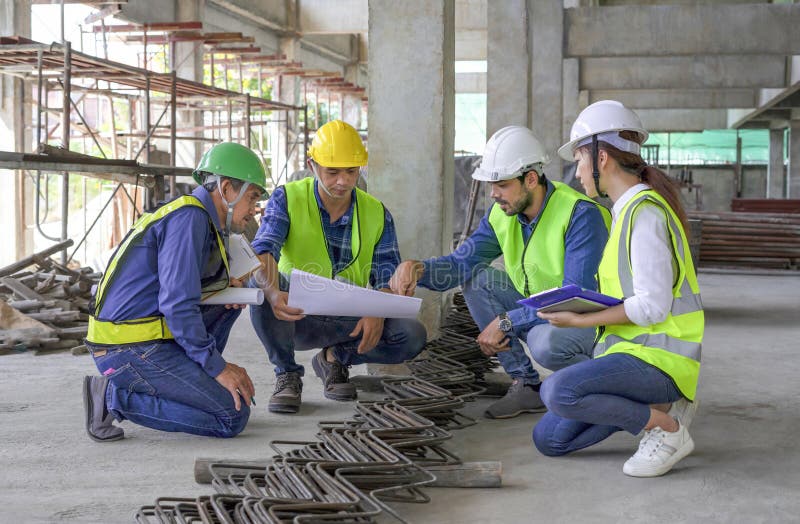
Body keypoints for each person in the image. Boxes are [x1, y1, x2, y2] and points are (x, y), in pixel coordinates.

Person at [532, 100, 704, 477]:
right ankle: (651, 411)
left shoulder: (645, 214)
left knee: (558, 391)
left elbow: (653, 308)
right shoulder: (623, 212)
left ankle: (668, 429)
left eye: (579, 160)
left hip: (661, 360)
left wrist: (578, 321)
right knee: (548, 439)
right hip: (629, 353)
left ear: (602, 158)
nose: (577, 172)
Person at [390, 126, 610, 419]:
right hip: (537, 310)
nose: (493, 194)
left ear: (531, 179)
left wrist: (506, 321)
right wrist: (418, 268)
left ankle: (600, 381)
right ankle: (527, 385)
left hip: (585, 321)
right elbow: (460, 265)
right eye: (491, 185)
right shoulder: (501, 215)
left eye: (501, 185)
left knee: (545, 345)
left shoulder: (580, 214)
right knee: (478, 279)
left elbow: (574, 296)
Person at [82, 142, 267, 441]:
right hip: (127, 348)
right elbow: (178, 305)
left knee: (227, 305)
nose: (254, 209)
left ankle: (196, 383)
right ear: (227, 188)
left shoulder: (200, 219)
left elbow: (177, 288)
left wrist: (222, 287)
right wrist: (218, 368)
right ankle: (113, 397)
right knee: (230, 417)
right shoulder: (190, 219)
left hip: (144, 336)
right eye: (253, 196)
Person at [249, 120, 426, 414]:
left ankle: (335, 359)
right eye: (333, 171)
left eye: (351, 171)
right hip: (294, 314)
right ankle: (287, 374)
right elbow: (264, 249)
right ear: (312, 165)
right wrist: (273, 293)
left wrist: (377, 309)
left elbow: (386, 274)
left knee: (411, 334)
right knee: (258, 283)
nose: (343, 180)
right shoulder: (288, 198)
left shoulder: (377, 213)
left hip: (348, 319)